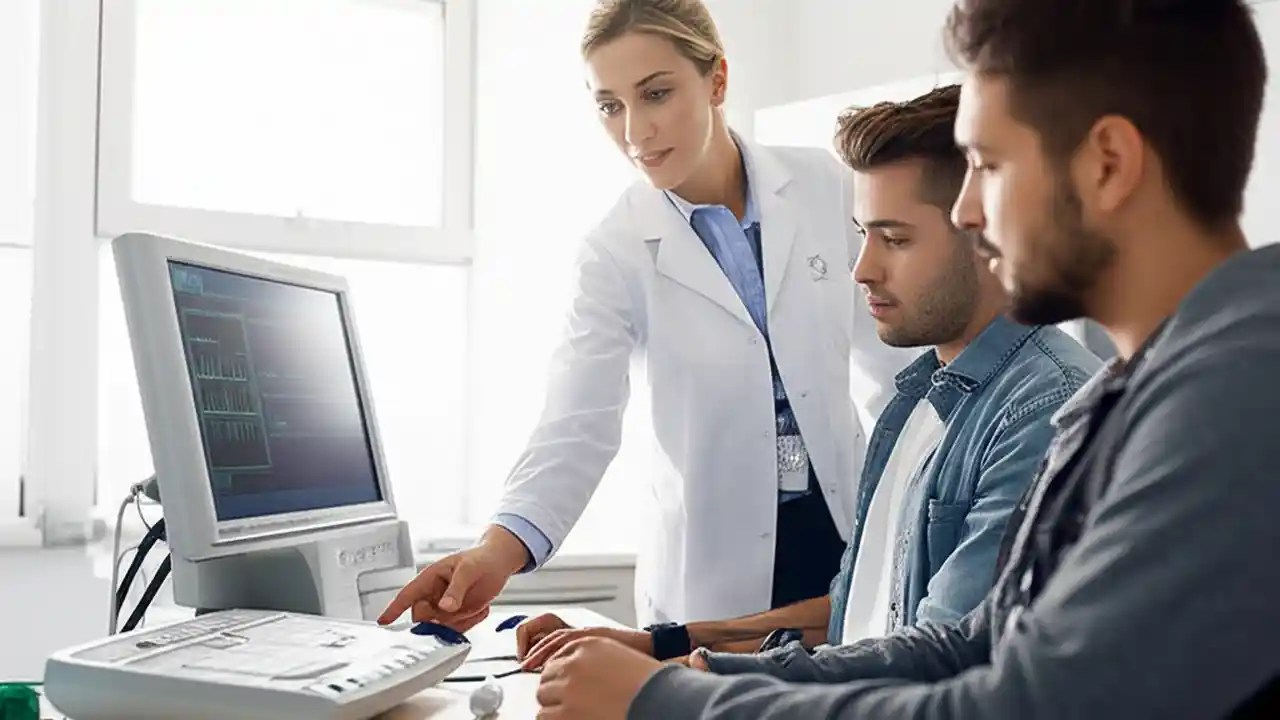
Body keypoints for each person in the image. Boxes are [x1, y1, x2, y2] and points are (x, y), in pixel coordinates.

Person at [531, 0, 1280, 717]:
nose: (967, 214)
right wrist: (688, 665)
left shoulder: (1236, 398)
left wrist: (666, 702)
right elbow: (971, 646)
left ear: (1108, 164)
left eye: (987, 166)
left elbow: (1029, 705)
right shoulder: (1136, 394)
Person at [514, 85, 1099, 670]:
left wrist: (689, 680)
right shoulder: (912, 404)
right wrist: (659, 644)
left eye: (894, 239)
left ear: (984, 228)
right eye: (862, 233)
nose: (862, 269)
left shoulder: (1044, 411)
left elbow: (936, 659)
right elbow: (850, 612)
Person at [379, 0, 912, 634]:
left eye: (655, 93)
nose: (635, 130)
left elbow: (902, 367)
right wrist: (496, 550)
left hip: (844, 542)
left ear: (716, 80)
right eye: (610, 105)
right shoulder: (616, 249)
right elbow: (578, 423)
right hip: (714, 576)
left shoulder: (825, 185)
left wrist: (920, 500)